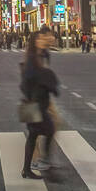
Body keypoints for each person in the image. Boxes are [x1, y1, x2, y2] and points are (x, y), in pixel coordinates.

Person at [21, 28, 61, 180]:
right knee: (48, 129)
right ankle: (44, 162)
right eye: (41, 38)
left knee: (33, 135)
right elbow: (28, 79)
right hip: (32, 102)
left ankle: (28, 168)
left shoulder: (43, 54)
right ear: (35, 41)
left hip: (38, 101)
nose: (45, 40)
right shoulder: (31, 58)